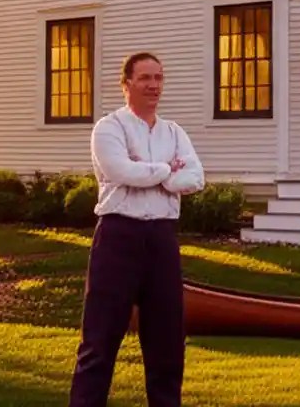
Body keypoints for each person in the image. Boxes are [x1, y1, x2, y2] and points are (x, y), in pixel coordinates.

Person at [68, 52, 205, 407]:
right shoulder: (109, 128)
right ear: (126, 83)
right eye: (145, 78)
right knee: (99, 343)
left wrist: (151, 170)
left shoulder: (174, 132)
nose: (154, 86)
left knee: (167, 345)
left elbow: (196, 178)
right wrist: (165, 171)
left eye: (159, 78)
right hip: (118, 238)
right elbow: (121, 172)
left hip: (161, 240)